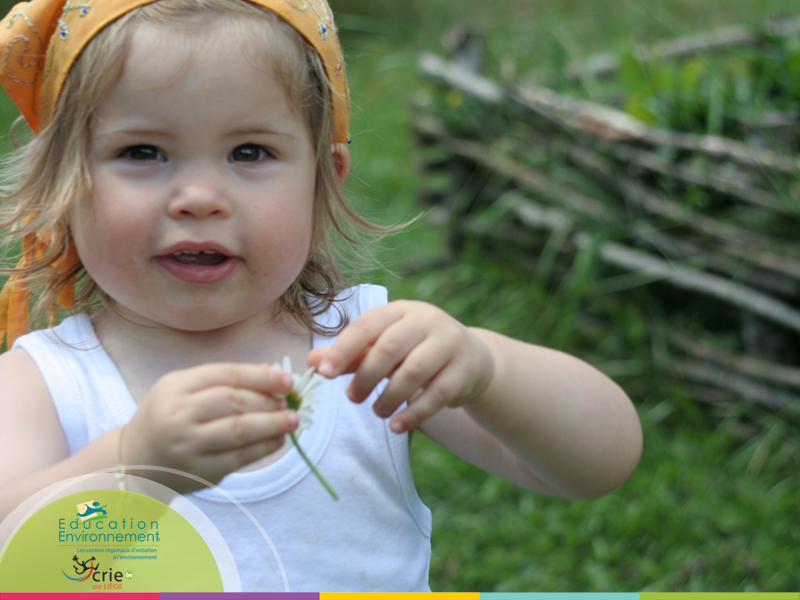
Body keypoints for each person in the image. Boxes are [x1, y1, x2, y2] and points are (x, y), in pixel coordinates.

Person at [0, 0, 642, 591]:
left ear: (322, 181)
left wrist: (487, 369)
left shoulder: (365, 352)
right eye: (143, 152)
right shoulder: (44, 384)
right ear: (64, 184)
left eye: (248, 152)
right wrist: (135, 466)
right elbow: (19, 568)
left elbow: (600, 464)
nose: (200, 197)